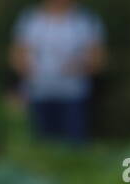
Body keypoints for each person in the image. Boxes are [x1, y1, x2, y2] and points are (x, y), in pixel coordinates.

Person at [10, 0, 106, 144]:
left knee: (74, 148)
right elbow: (17, 56)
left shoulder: (86, 21)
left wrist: (79, 66)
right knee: (39, 148)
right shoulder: (30, 20)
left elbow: (98, 60)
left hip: (73, 97)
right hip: (37, 96)